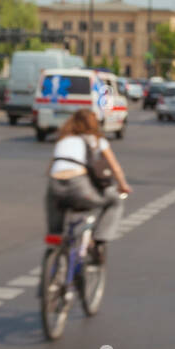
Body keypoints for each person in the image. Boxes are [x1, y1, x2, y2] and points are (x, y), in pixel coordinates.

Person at [45, 109, 131, 254]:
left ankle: (55, 242)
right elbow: (114, 167)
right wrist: (123, 186)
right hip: (78, 187)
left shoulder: (64, 139)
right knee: (115, 201)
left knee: (56, 232)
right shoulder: (97, 140)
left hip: (54, 188)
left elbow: (53, 166)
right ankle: (99, 240)